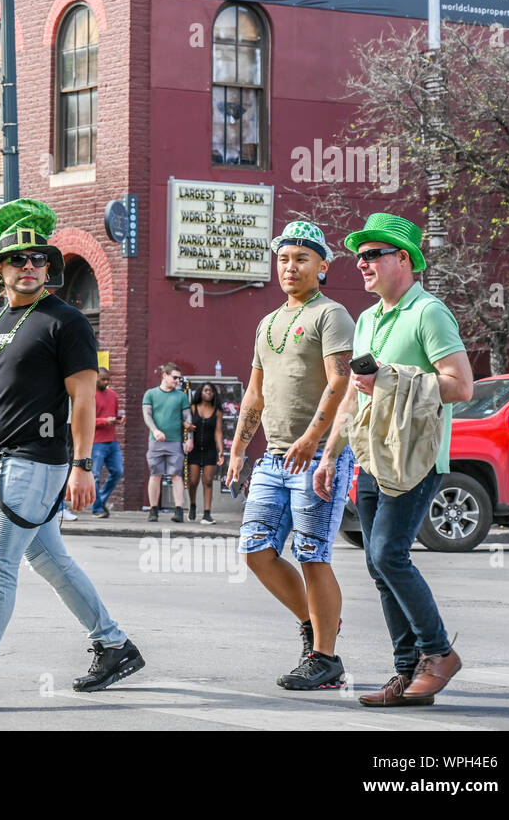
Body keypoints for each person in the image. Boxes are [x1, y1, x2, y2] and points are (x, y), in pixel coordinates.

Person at [0, 198, 143, 709]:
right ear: (0, 268)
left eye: (39, 258)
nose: (31, 266)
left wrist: (82, 465)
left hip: (39, 459)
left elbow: (83, 397)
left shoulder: (66, 321)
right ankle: (115, 646)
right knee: (48, 557)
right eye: (19, 259)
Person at [338, 213, 473, 707]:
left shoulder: (429, 312)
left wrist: (391, 378)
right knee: (378, 566)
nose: (362, 263)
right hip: (372, 457)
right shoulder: (369, 319)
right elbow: (356, 396)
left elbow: (461, 385)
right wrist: (333, 455)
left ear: (403, 259)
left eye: (373, 254)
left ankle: (439, 653)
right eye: (359, 255)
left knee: (388, 554)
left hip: (415, 459)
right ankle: (407, 672)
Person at [225, 221, 357, 691]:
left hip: (320, 454)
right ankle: (317, 624)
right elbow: (255, 393)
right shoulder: (268, 322)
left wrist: (311, 440)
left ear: (322, 265)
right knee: (255, 551)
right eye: (283, 258)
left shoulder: (333, 315)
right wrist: (238, 448)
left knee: (311, 554)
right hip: (275, 459)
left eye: (302, 258)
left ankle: (325, 658)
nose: (290, 266)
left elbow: (342, 383)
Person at [143, 363, 192, 521]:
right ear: (164, 375)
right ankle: (153, 509)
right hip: (155, 441)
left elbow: (187, 418)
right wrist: (155, 430)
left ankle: (178, 511)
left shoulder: (181, 396)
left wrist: (189, 438)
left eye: (179, 378)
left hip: (175, 441)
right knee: (155, 475)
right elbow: (147, 415)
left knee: (176, 475)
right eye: (174, 377)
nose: (177, 380)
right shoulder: (150, 394)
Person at [187, 382, 224, 523]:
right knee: (193, 481)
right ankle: (192, 505)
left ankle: (207, 513)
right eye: (206, 390)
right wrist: (187, 426)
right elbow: (184, 423)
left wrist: (221, 451)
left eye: (211, 391)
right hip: (194, 449)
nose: (209, 393)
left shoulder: (217, 411)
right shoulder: (193, 408)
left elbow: (218, 432)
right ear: (200, 392)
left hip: (210, 450)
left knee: (208, 481)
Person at [91, 368, 125, 518]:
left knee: (118, 472)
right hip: (95, 442)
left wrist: (119, 418)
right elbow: (85, 421)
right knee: (95, 476)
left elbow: (115, 413)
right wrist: (105, 421)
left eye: (107, 379)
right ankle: (97, 509)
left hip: (112, 441)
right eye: (103, 379)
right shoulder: (89, 395)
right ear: (95, 378)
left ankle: (100, 501)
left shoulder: (112, 395)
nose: (106, 382)